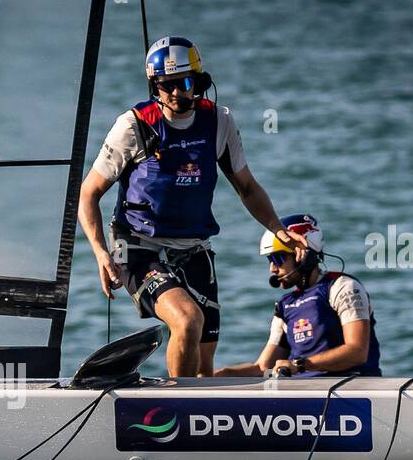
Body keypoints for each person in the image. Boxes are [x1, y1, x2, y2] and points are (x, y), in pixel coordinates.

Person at [78, 35, 306, 377]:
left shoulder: (219, 122)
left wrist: (278, 229)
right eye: (164, 85)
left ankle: (197, 418)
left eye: (182, 83)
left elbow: (246, 186)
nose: (174, 93)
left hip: (195, 249)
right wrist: (100, 253)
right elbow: (88, 194)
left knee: (203, 366)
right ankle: (173, 413)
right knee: (187, 319)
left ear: (198, 82)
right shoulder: (134, 125)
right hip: (137, 247)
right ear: (154, 85)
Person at [214, 214, 382, 378]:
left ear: (304, 255)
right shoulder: (285, 306)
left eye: (278, 259)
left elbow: (357, 352)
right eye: (269, 260)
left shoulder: (344, 287)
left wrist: (299, 365)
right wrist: (222, 374)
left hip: (350, 390)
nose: (272, 268)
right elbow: (263, 367)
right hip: (304, 392)